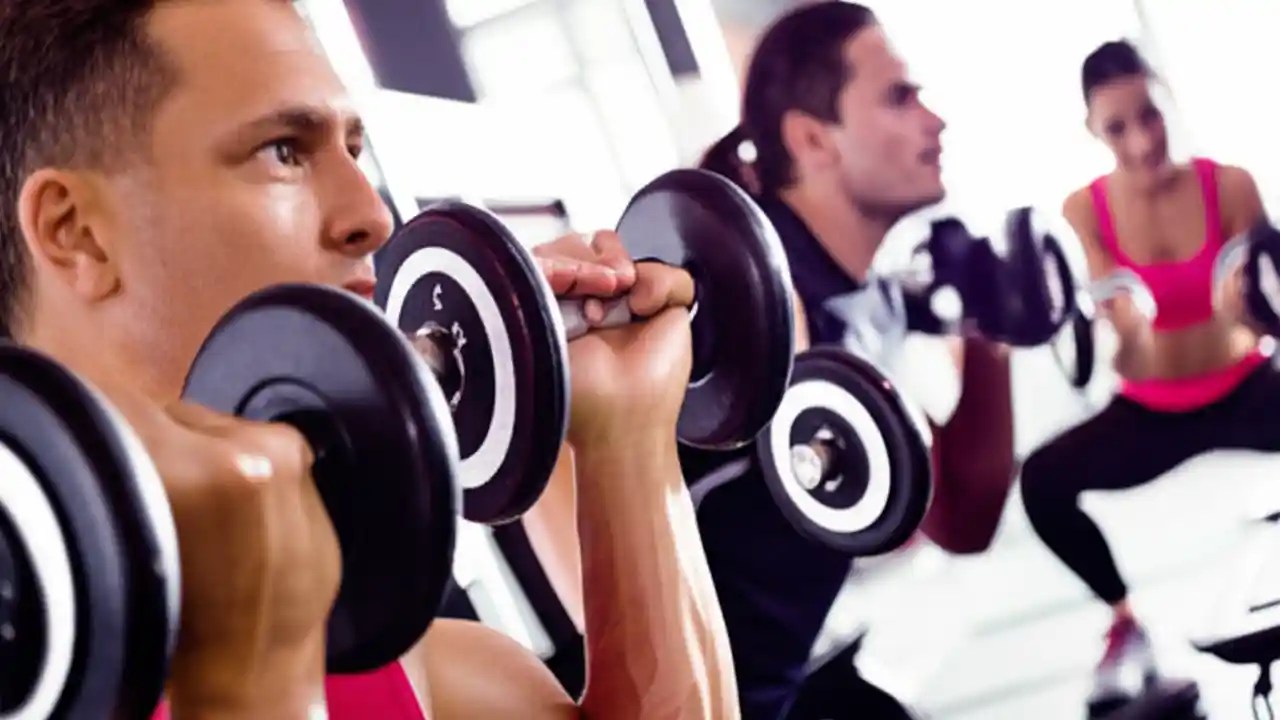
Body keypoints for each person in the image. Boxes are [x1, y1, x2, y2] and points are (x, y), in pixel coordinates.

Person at [0, 0, 740, 718]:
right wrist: (246, 680)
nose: (373, 216)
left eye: (352, 149)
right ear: (77, 233)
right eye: (283, 151)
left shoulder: (394, 654)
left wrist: (626, 441)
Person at [691, 4, 1018, 717]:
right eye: (901, 97)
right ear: (813, 138)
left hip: (798, 678)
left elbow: (960, 518)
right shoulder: (731, 296)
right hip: (701, 699)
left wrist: (993, 331)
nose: (936, 121)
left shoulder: (872, 299)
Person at [1018, 38, 1280, 714]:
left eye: (1150, 116)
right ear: (1091, 131)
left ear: (1168, 98)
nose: (1140, 141)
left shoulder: (1231, 185)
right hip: (1151, 411)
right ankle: (1125, 617)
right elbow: (1120, 352)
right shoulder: (1084, 209)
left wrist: (1249, 309)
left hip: (1247, 389)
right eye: (1117, 127)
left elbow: (1273, 308)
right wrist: (1127, 326)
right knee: (1042, 482)